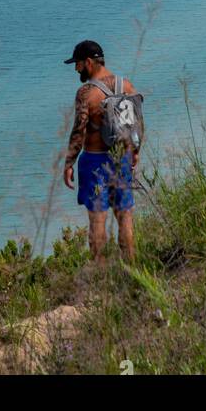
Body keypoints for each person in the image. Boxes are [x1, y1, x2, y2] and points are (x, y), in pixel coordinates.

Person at [62, 39, 141, 259]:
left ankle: (100, 271)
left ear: (88, 62)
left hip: (95, 163)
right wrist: (135, 151)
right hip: (121, 159)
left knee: (97, 219)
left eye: (77, 64)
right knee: (125, 217)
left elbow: (79, 131)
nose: (76, 69)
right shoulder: (126, 85)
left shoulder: (86, 93)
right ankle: (131, 266)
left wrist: (69, 163)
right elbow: (136, 123)